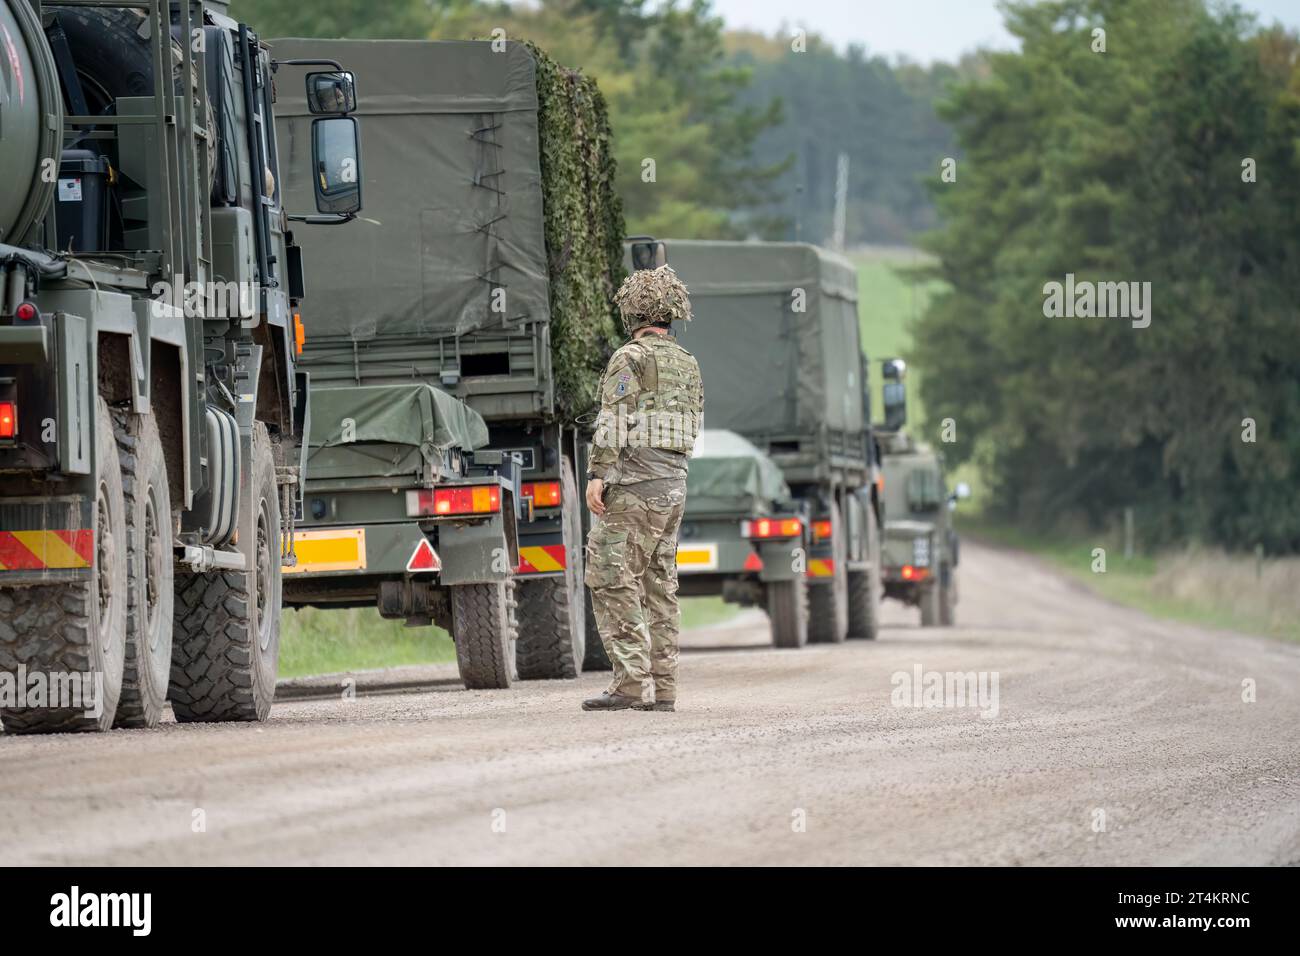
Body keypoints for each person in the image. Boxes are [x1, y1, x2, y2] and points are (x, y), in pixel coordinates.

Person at [582, 265, 703, 713]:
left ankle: (630, 684)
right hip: (674, 485)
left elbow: (614, 419)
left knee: (611, 575)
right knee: (660, 585)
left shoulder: (630, 358)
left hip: (635, 486)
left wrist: (598, 472)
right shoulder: (687, 362)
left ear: (633, 312)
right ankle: (665, 688)